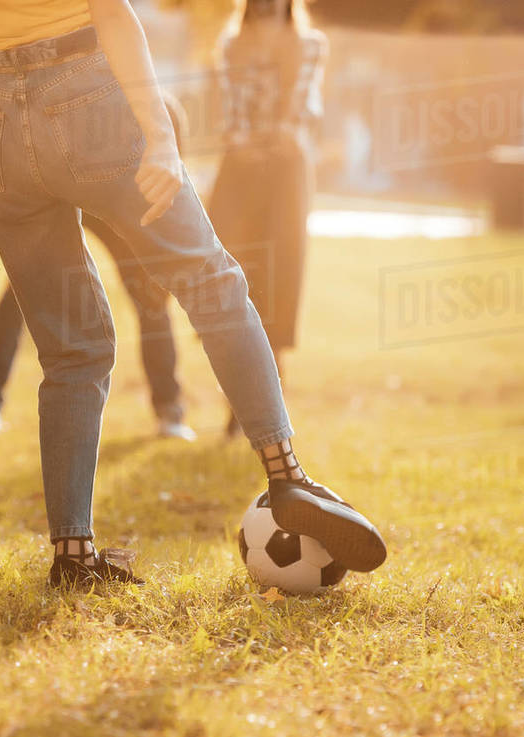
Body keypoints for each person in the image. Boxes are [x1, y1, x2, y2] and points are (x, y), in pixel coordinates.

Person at [0, 0, 386, 586]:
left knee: (72, 348)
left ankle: (73, 553)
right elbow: (112, 13)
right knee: (212, 284)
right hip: (82, 97)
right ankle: (286, 475)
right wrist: (159, 134)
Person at [0, 93, 196, 442]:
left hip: (118, 205)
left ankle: (169, 408)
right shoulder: (75, 94)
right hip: (63, 194)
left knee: (151, 297)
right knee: (20, 290)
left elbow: (168, 180)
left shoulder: (161, 107)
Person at [208, 0, 326, 437]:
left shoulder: (309, 44)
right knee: (234, 278)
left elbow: (299, 109)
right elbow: (229, 109)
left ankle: (270, 398)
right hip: (239, 169)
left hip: (286, 169)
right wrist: (243, 142)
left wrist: (275, 140)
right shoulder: (231, 44)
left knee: (279, 278)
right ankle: (237, 397)